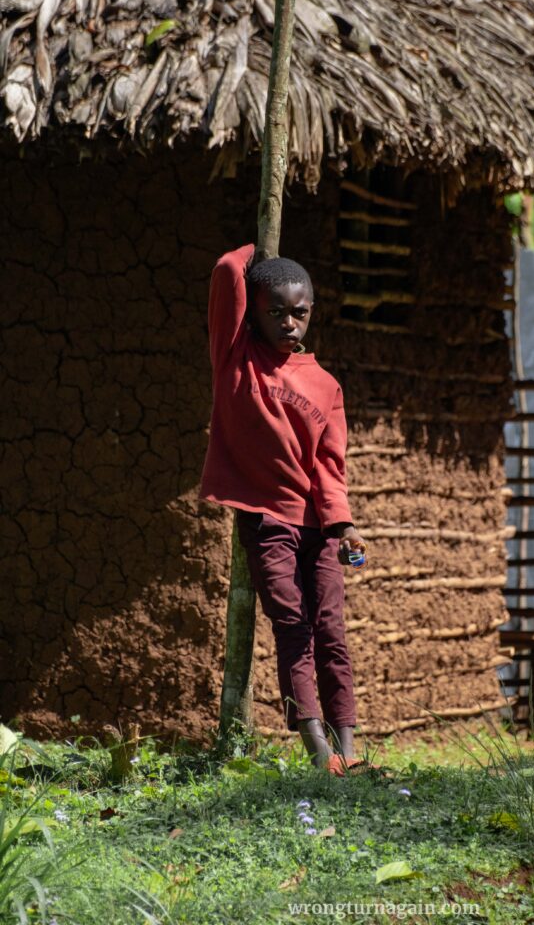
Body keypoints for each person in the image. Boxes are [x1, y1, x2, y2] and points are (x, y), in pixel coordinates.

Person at [200, 244, 366, 772]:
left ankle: (348, 751)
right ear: (254, 313)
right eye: (275, 312)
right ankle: (318, 751)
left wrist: (344, 527)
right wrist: (260, 251)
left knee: (331, 632)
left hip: (320, 528)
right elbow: (227, 270)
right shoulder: (236, 357)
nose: (289, 323)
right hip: (268, 520)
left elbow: (330, 466)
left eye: (299, 312)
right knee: (293, 626)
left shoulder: (326, 385)